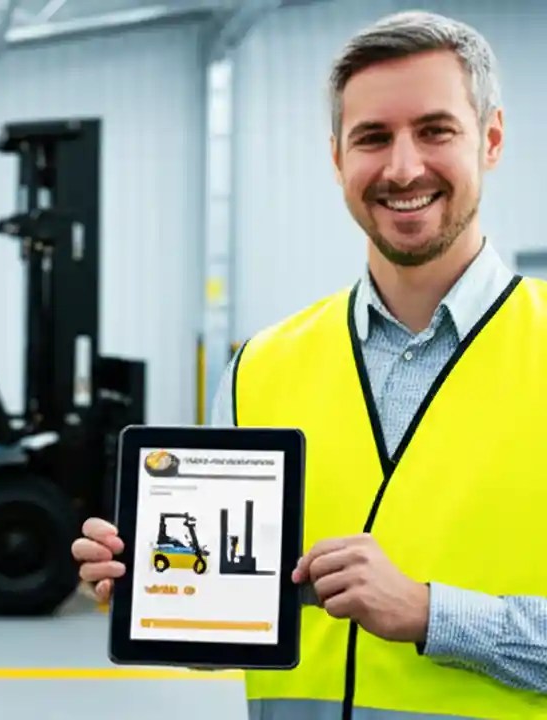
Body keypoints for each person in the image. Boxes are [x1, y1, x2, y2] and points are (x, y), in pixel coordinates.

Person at [73, 10, 547, 720]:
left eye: (435, 130)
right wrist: (156, 591)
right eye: (373, 138)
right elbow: (228, 637)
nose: (403, 167)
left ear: (492, 139)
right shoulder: (263, 365)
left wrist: (431, 614)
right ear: (337, 160)